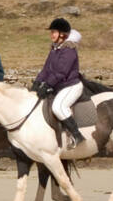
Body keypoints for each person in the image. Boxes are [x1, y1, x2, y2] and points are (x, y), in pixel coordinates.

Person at [31, 17, 84, 146]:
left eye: (53, 32)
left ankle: (77, 135)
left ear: (62, 34)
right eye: (51, 32)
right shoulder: (55, 49)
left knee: (58, 107)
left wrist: (48, 84)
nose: (51, 35)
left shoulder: (68, 50)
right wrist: (37, 83)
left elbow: (61, 72)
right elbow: (46, 69)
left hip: (71, 85)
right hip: (59, 85)